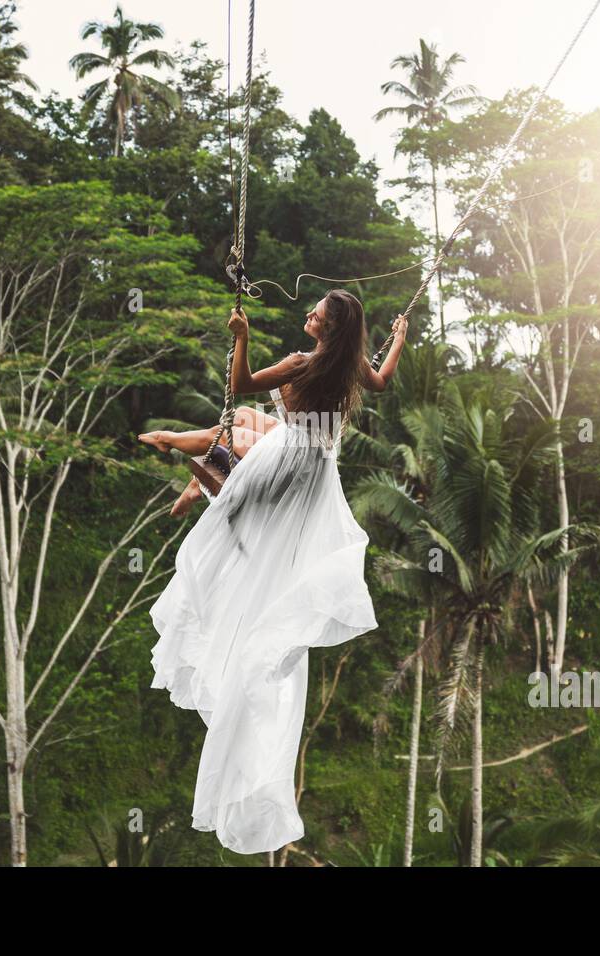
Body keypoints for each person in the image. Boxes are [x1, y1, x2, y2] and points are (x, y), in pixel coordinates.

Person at [143, 289, 407, 854]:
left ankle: (193, 468)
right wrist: (400, 341)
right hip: (316, 465)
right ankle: (196, 474)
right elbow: (381, 382)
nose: (307, 315)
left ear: (328, 329)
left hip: (286, 462)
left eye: (315, 313)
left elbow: (239, 381)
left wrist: (240, 337)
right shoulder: (348, 362)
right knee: (240, 422)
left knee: (238, 426)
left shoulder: (299, 364)